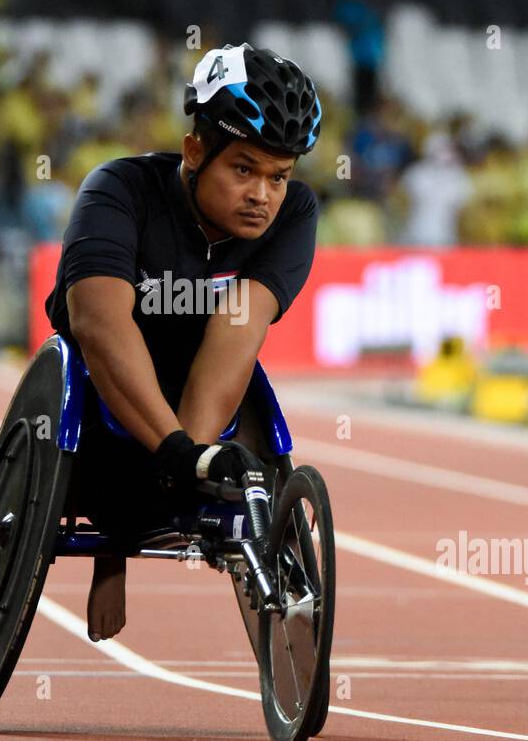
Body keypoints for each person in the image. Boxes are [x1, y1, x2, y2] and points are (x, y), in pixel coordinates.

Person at [44, 43, 322, 641]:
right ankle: (112, 545)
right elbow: (98, 322)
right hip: (102, 401)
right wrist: (170, 451)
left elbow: (239, 326)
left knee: (251, 404)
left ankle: (276, 619)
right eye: (243, 169)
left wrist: (189, 463)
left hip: (200, 381)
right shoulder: (117, 190)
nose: (262, 196)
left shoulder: (294, 214)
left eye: (279, 176)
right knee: (98, 357)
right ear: (196, 150)